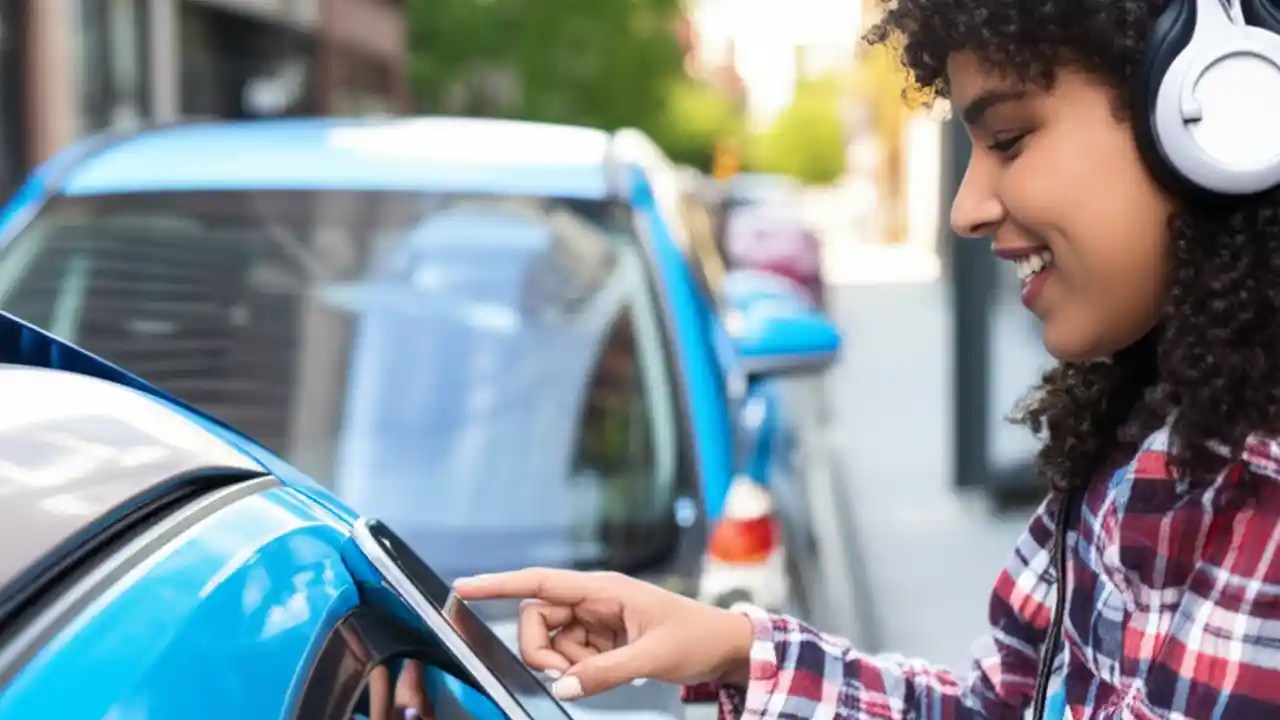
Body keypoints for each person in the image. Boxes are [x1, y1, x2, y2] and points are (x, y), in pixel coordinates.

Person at [454, 0, 1280, 716]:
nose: (966, 208)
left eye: (1010, 137)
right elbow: (997, 708)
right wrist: (730, 648)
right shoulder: (1139, 452)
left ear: (1227, 111)